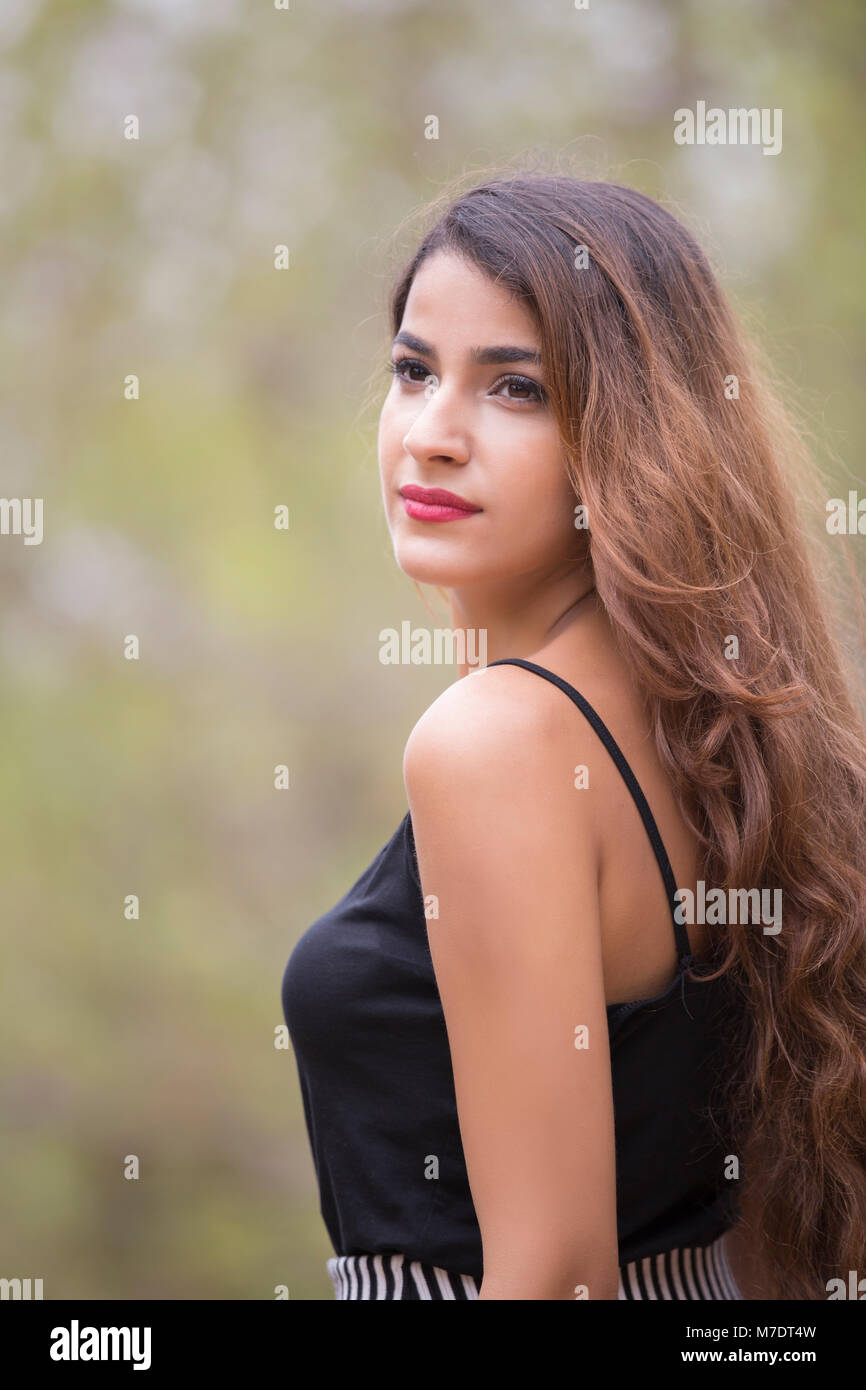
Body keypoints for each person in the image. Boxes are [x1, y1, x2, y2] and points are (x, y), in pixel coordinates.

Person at [282, 171, 866, 1300]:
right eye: (414, 372)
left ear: (632, 430)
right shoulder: (719, 729)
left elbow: (553, 1276)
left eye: (514, 388)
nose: (432, 435)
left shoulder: (496, 741)